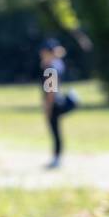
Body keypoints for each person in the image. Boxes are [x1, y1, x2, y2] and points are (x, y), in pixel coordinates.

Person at [40, 39, 69, 168]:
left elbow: (51, 90)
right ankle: (56, 157)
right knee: (56, 131)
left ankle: (57, 158)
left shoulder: (50, 68)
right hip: (57, 101)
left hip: (54, 103)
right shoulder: (57, 64)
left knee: (55, 131)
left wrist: (47, 107)